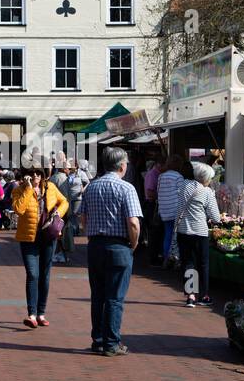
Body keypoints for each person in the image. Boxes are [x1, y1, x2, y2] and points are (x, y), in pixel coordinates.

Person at [81, 147, 142, 357]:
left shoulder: (91, 188)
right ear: (122, 166)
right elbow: (133, 222)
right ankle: (111, 343)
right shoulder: (127, 189)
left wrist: (91, 236)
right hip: (119, 246)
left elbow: (83, 219)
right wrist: (133, 244)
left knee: (97, 295)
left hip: (95, 245)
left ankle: (98, 340)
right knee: (115, 297)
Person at [12, 165, 69, 329]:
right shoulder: (19, 190)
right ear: (26, 176)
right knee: (32, 274)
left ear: (43, 174)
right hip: (28, 238)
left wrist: (58, 213)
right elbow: (19, 209)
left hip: (48, 237)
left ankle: (41, 313)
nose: (35, 175)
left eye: (38, 173)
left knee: (45, 274)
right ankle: (31, 314)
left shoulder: (50, 187)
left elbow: (64, 201)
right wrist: (29, 189)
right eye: (31, 173)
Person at [175, 162, 222, 308]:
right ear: (206, 178)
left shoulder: (183, 186)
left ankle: (191, 296)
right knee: (203, 264)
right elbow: (216, 217)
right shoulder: (207, 192)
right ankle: (204, 295)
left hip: (183, 230)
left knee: (188, 263)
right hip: (200, 232)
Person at [156, 155, 187, 266]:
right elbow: (182, 193)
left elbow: (158, 192)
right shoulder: (178, 177)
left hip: (164, 209)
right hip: (175, 209)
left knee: (167, 234)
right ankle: (174, 259)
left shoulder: (161, 176)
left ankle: (166, 258)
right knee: (175, 237)